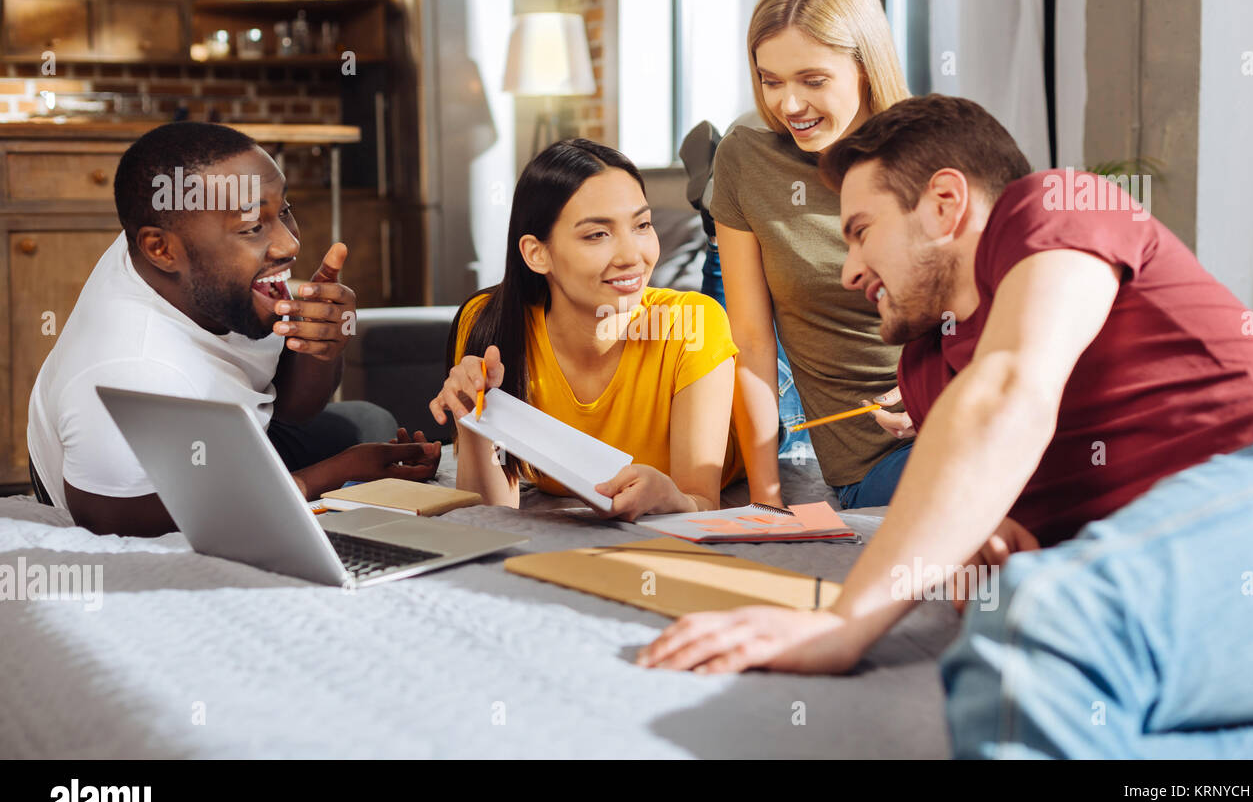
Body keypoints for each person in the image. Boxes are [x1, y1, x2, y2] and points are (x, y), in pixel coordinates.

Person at [638, 94, 1253, 759]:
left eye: (861, 231)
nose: (847, 272)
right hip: (1215, 598)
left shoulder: (1056, 203)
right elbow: (985, 500)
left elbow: (1012, 388)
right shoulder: (926, 367)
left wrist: (845, 623)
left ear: (945, 204)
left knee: (1035, 620)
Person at [28, 122, 439, 537]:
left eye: (283, 210)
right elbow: (112, 522)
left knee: (370, 423)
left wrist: (319, 344)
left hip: (222, 433)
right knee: (358, 456)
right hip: (142, 489)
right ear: (161, 249)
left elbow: (294, 409)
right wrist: (324, 477)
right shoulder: (131, 365)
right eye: (252, 228)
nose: (289, 245)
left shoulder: (193, 253)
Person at [430, 138, 741, 520]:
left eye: (642, 225)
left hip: (754, 411)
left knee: (760, 356)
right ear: (536, 253)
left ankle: (719, 230)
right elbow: (493, 513)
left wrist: (674, 498)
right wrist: (477, 415)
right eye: (598, 234)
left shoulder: (694, 325)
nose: (632, 257)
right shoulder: (489, 323)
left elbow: (701, 503)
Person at [709, 0, 913, 509]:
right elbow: (749, 343)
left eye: (812, 81)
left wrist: (946, 390)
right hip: (879, 461)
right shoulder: (748, 163)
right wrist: (766, 501)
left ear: (865, 67)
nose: (788, 105)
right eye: (769, 81)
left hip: (977, 423)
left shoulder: (930, 154)